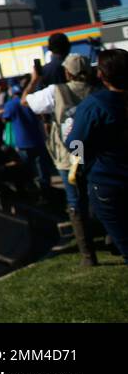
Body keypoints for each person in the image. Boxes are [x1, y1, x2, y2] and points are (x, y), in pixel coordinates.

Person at [24, 53, 99, 264]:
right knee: (100, 195)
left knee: (76, 201)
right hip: (95, 154)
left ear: (67, 72)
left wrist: (34, 79)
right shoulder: (97, 90)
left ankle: (87, 254)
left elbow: (26, 102)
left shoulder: (55, 91)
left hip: (68, 157)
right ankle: (111, 234)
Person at [66, 49, 128, 263]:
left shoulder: (95, 105)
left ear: (101, 75)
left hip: (108, 181)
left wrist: (82, 161)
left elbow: (75, 144)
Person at [1, 70, 58, 197]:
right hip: (38, 140)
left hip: (22, 143)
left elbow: (5, 118)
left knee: (26, 170)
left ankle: (31, 192)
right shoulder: (32, 100)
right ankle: (46, 193)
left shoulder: (10, 104)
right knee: (43, 170)